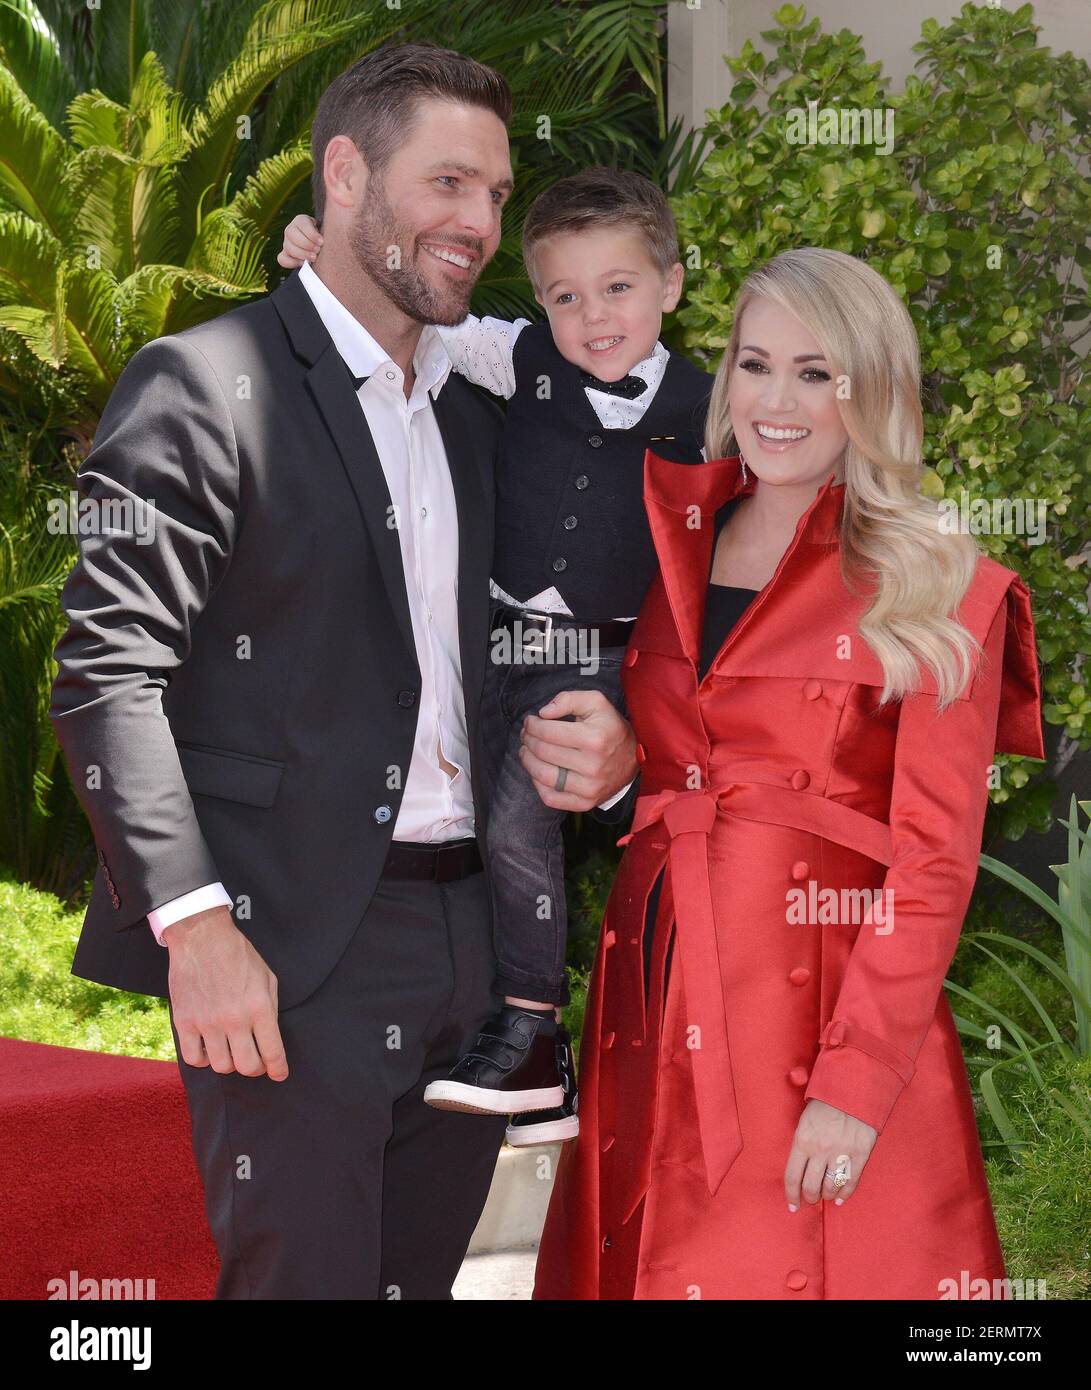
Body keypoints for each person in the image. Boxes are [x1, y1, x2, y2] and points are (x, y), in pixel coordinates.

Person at [48, 42, 635, 1301]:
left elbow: (546, 623)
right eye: (448, 184)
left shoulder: (481, 412)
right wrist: (194, 927)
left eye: (494, 195)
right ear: (346, 174)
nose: (479, 224)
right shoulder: (204, 386)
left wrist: (611, 737)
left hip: (476, 947)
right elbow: (107, 673)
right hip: (286, 944)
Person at [532, 246, 1046, 1300]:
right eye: (754, 364)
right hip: (653, 978)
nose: (774, 401)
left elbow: (934, 866)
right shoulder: (671, 530)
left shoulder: (940, 584)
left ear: (872, 390)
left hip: (817, 1031)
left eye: (816, 373)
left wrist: (852, 1090)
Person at [279, 168, 713, 1146]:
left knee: (519, 819)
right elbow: (405, 320)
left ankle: (531, 1031)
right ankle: (484, 1025)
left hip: (603, 659)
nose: (591, 315)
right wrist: (326, 255)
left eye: (617, 288)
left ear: (670, 285)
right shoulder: (517, 358)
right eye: (564, 294)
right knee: (466, 815)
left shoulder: (711, 410)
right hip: (495, 643)